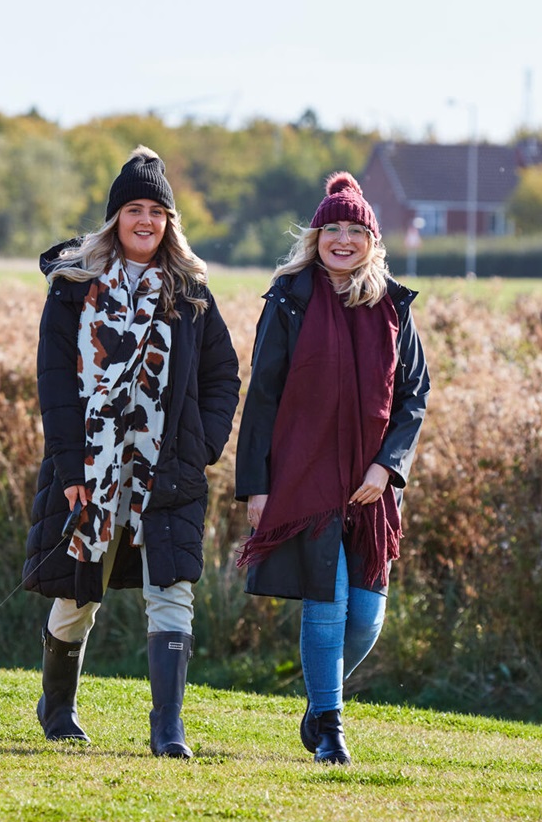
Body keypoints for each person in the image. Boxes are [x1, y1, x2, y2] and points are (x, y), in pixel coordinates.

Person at [22, 145, 240, 758]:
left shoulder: (191, 294)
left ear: (170, 222)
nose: (146, 220)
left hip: (167, 473)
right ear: (115, 217)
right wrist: (70, 471)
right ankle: (57, 707)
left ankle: (167, 728)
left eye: (157, 211)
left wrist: (202, 446)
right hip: (91, 469)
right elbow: (56, 385)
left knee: (171, 590)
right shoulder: (73, 289)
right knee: (77, 594)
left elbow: (224, 375)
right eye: (134, 209)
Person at [236, 172, 431, 765]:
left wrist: (387, 468)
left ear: (372, 239)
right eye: (332, 229)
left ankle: (320, 702)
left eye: (354, 230)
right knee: (328, 602)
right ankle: (331, 729)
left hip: (371, 488)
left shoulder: (393, 305)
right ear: (315, 236)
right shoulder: (290, 298)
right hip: (306, 477)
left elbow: (413, 397)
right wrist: (257, 486)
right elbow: (262, 396)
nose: (342, 240)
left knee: (367, 616)